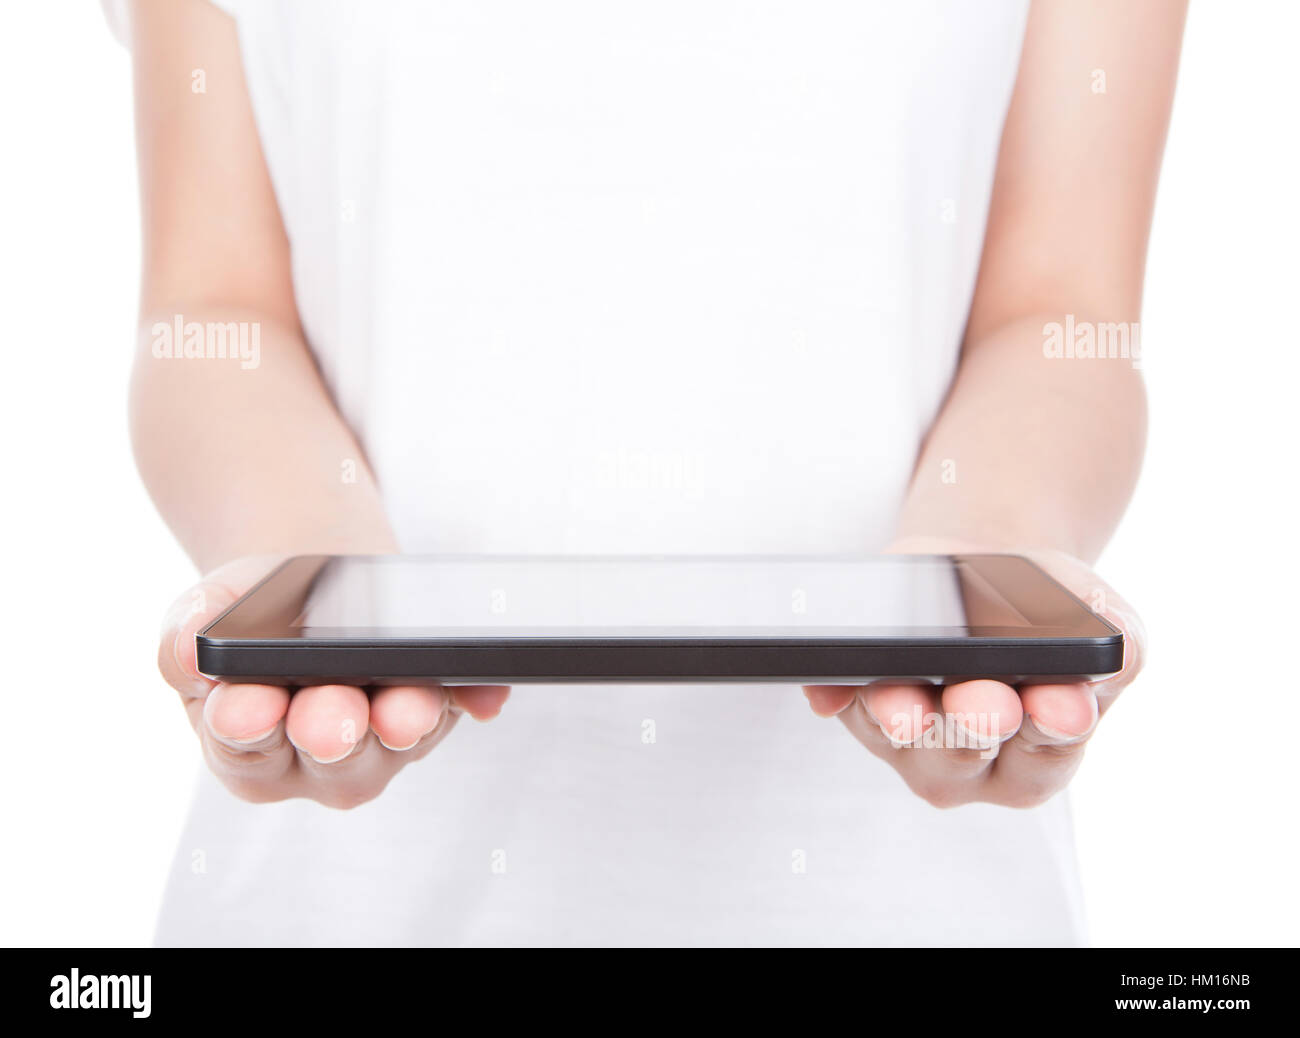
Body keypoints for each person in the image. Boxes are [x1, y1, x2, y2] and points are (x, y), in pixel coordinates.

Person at [108, 0, 1183, 945]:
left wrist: (987, 552)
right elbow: (216, 307)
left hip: (921, 908)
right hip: (329, 911)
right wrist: (302, 557)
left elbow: (1059, 313)